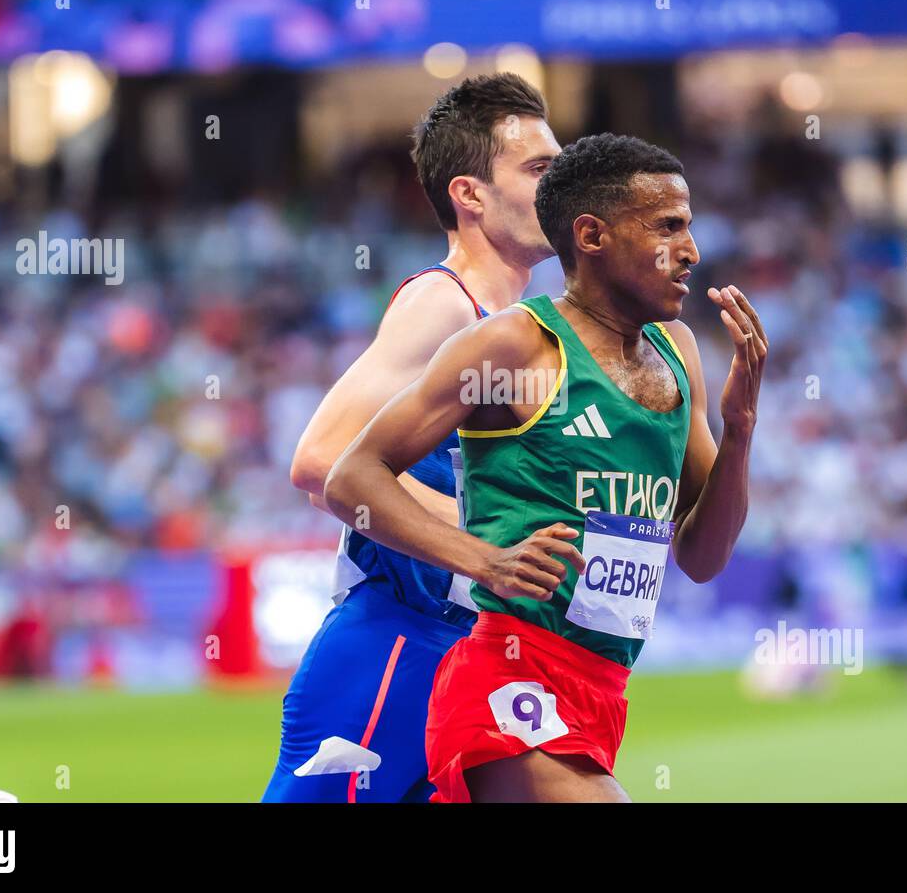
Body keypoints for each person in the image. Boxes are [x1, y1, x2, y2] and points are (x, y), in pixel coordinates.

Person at [324, 133, 768, 802]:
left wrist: (738, 430)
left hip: (603, 692)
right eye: (668, 227)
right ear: (592, 235)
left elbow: (704, 555)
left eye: (690, 227)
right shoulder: (515, 346)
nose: (692, 251)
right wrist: (481, 559)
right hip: (506, 679)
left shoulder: (677, 352)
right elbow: (351, 476)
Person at [262, 74, 562, 802]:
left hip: (467, 649)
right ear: (470, 195)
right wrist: (486, 542)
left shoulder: (518, 326)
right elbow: (320, 462)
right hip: (397, 639)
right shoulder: (443, 305)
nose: (564, 187)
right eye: (540, 170)